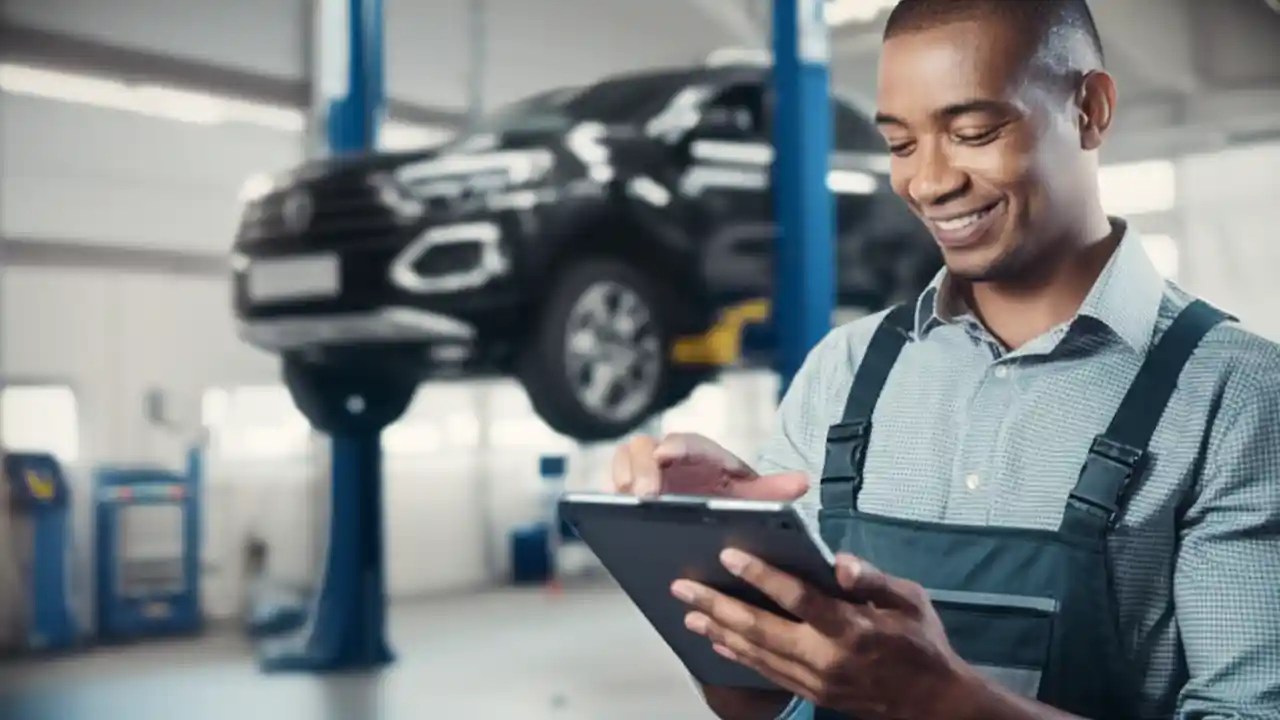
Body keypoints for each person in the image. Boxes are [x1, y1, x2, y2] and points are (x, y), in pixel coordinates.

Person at [610, 1, 1280, 718]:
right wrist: (700, 569)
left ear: (1090, 109)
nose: (928, 183)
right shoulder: (844, 372)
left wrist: (944, 700)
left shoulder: (1236, 398)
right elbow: (760, 707)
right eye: (901, 146)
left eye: (973, 133)